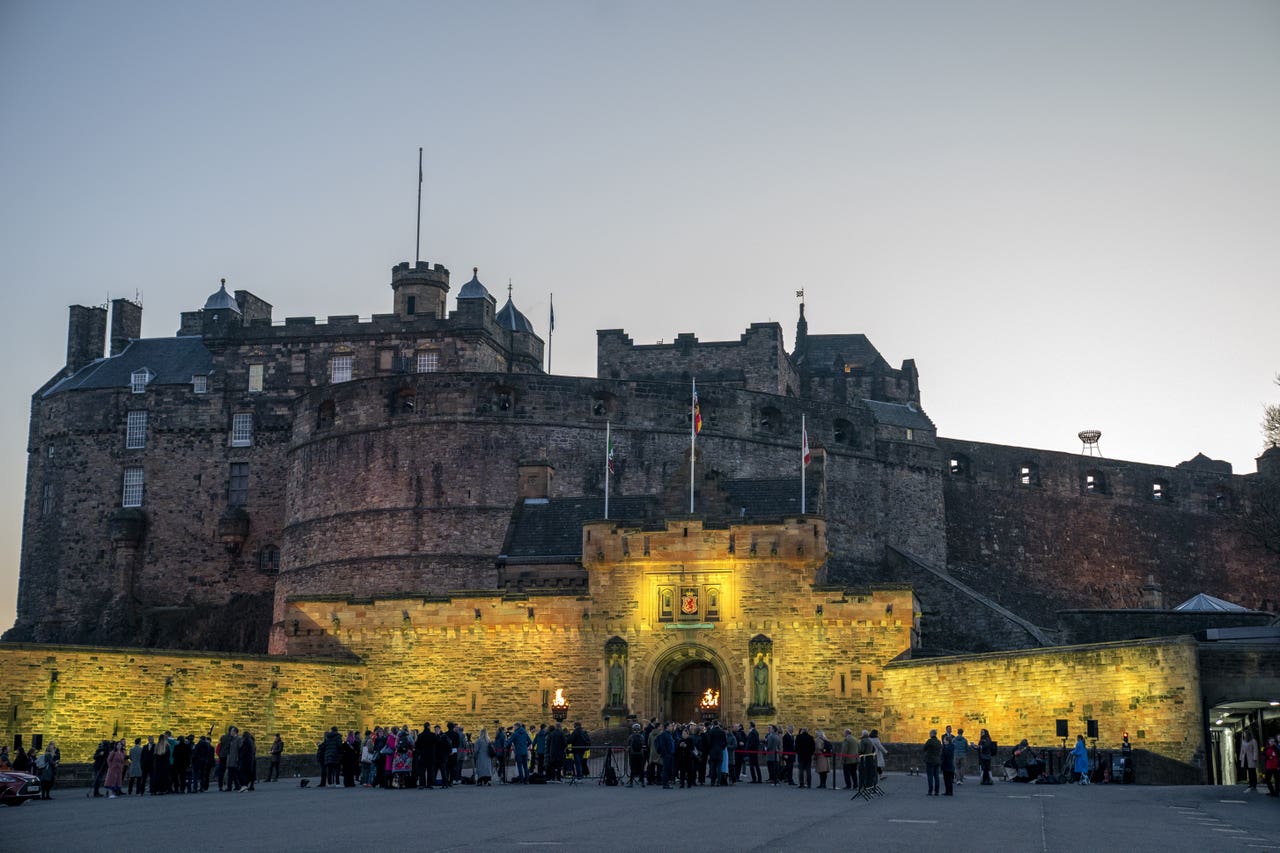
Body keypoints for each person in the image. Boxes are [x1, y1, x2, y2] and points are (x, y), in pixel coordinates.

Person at [923, 729, 942, 796]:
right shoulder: (939, 742)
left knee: (930, 776)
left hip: (930, 760)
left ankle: (930, 791)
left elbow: (924, 748)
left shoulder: (929, 741)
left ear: (932, 734)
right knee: (936, 777)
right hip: (937, 760)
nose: (929, 734)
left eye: (930, 733)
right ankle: (937, 791)